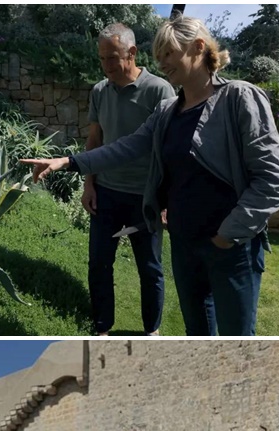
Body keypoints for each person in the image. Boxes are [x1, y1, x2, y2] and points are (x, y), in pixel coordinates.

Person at [21, 16, 279, 336]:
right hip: (185, 244)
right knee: (198, 338)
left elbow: (271, 182)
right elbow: (124, 147)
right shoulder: (168, 111)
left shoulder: (239, 98)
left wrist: (227, 234)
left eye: (168, 54)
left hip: (231, 248)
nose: (161, 63)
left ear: (198, 48)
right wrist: (68, 161)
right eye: (159, 56)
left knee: (236, 343)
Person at [82, 24, 175, 336]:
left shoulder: (159, 90)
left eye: (112, 57)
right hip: (106, 195)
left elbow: (171, 151)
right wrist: (89, 184)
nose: (107, 65)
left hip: (145, 198)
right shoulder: (99, 91)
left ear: (132, 53)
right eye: (102, 59)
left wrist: (166, 200)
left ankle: (152, 332)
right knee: (98, 266)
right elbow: (94, 142)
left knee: (150, 270)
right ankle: (102, 329)